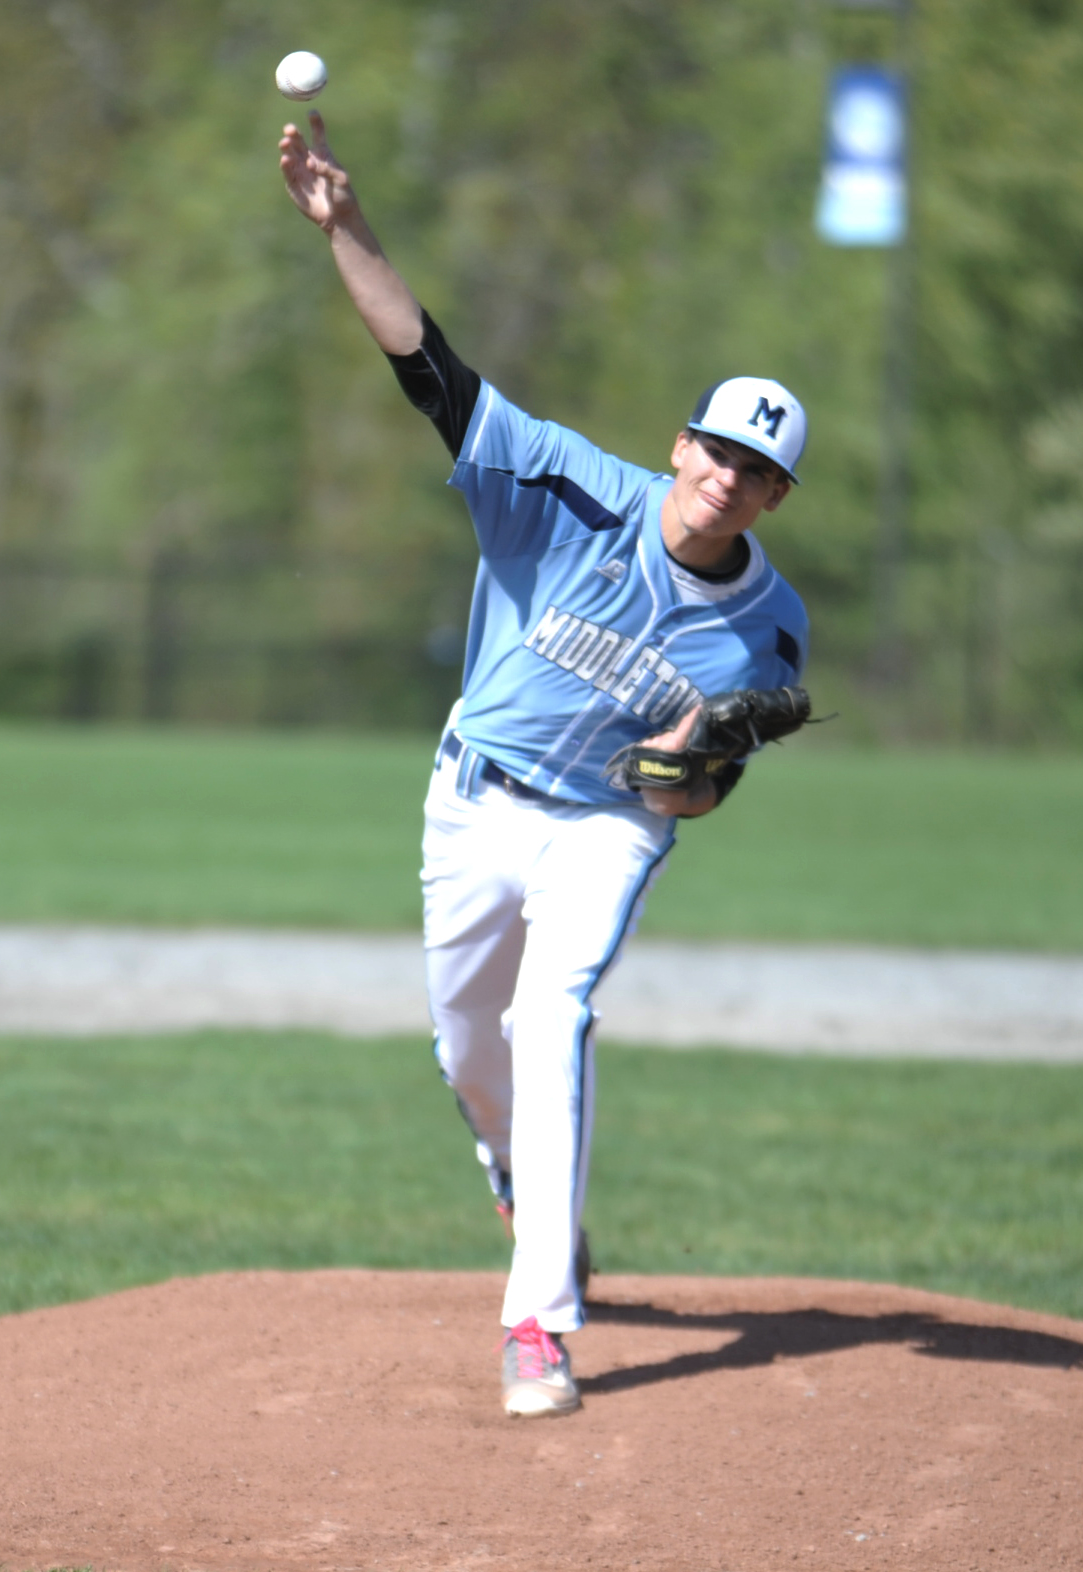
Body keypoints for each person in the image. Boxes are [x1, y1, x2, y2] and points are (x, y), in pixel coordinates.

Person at [280, 110, 811, 1418]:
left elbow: (707, 787)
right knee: (471, 1050)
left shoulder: (769, 626)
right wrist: (347, 228)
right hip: (475, 801)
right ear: (681, 444)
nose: (728, 478)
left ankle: (538, 1325)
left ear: (775, 500)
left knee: (551, 1016)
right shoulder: (566, 488)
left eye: (757, 472)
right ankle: (514, 1171)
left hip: (605, 828)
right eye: (719, 450)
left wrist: (690, 776)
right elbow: (429, 367)